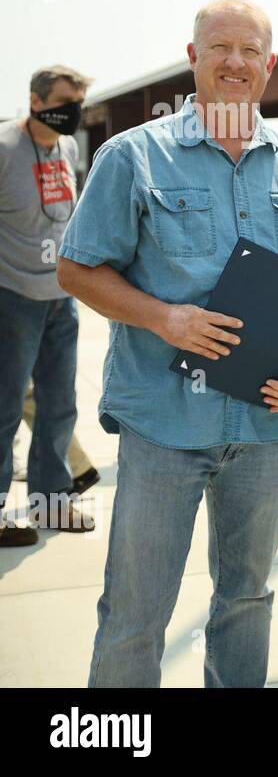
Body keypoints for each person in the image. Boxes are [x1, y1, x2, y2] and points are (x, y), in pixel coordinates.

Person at [57, 0, 278, 687]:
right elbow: (76, 267)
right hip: (164, 425)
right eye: (220, 47)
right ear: (194, 58)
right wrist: (164, 318)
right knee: (136, 610)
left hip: (267, 427)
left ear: (269, 65)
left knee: (246, 599)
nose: (235, 62)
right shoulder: (132, 156)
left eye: (250, 51)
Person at [0, 64, 96, 546]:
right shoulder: (4, 149)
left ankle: (53, 502)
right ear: (36, 102)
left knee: (60, 405)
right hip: (11, 299)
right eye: (64, 102)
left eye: (78, 103)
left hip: (62, 299)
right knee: (5, 406)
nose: (73, 113)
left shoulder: (68, 146)